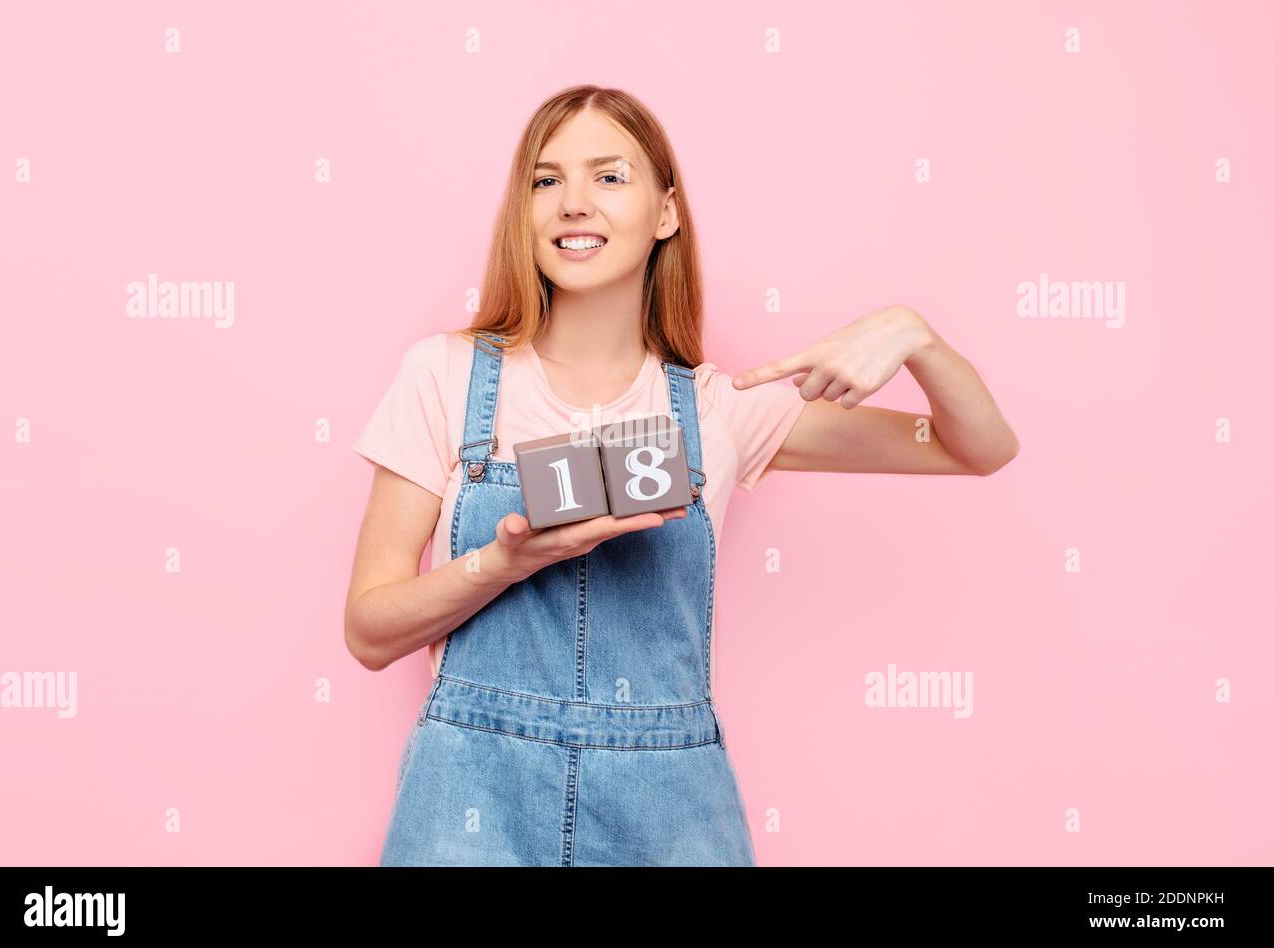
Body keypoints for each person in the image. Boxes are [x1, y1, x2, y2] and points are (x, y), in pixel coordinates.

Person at [346, 85, 1019, 866]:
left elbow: (979, 448)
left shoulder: (720, 410)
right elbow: (369, 631)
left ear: (665, 212)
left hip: (668, 813)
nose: (572, 203)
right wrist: (501, 564)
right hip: (469, 799)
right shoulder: (445, 376)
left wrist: (914, 335)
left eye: (609, 176)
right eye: (545, 179)